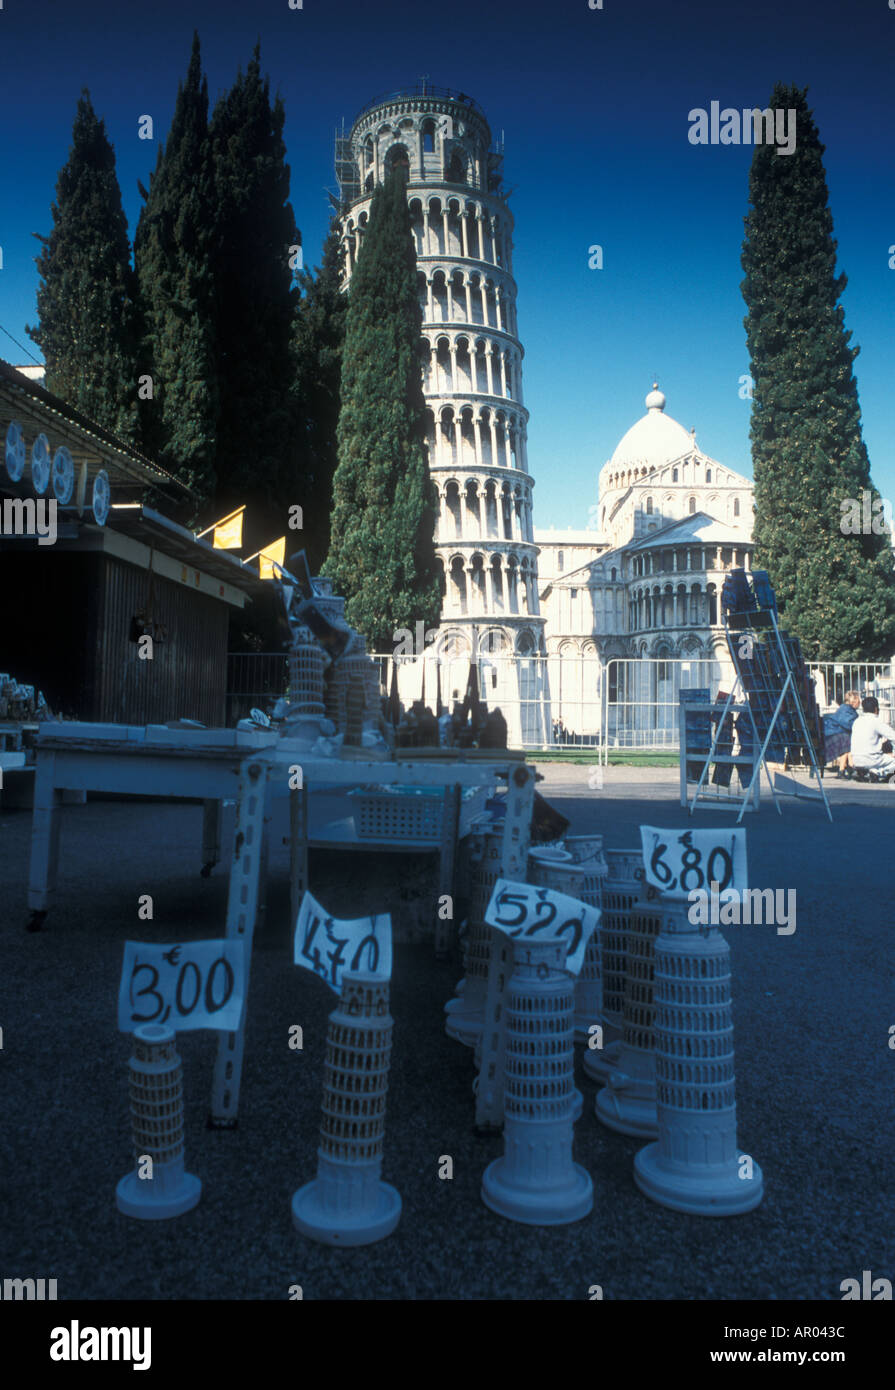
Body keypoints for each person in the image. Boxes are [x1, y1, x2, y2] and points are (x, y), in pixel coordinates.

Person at [850, 696, 895, 780]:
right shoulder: (876, 721)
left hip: (855, 760)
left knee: (881, 756)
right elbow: (892, 736)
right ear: (876, 709)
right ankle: (876, 772)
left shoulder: (857, 721)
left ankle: (866, 771)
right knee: (892, 761)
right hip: (871, 759)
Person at [824, 689, 861, 776]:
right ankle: (850, 766)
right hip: (832, 735)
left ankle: (843, 769)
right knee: (847, 740)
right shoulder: (846, 710)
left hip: (835, 734)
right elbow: (848, 724)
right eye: (858, 701)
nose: (860, 703)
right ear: (853, 701)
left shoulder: (846, 709)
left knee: (846, 740)